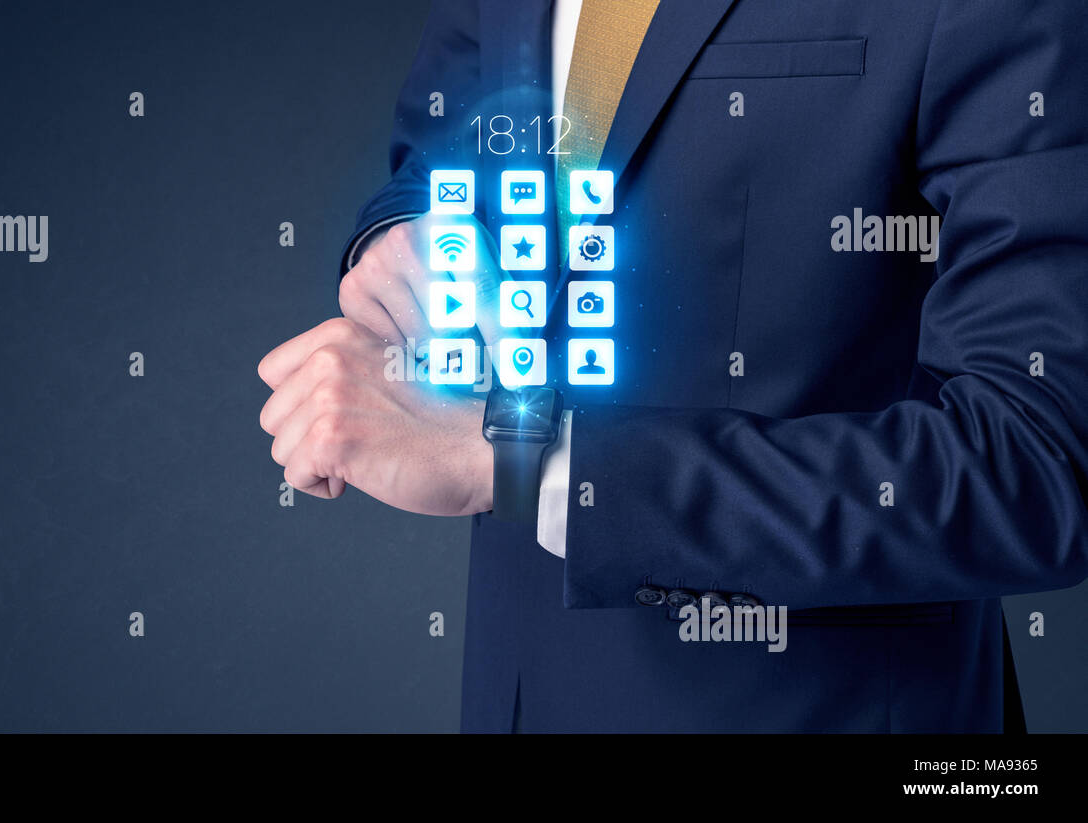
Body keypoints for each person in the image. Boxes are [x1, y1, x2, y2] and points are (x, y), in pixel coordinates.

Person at [258, 0, 1088, 732]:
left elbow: (1039, 459)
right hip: (517, 686)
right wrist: (407, 228)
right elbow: (454, 125)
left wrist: (527, 461)